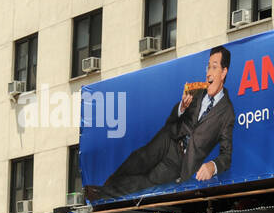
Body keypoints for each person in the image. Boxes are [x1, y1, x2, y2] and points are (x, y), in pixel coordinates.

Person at [85, 46, 235, 200]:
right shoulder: (196, 91)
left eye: (214, 67)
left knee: (147, 182)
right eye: (208, 67)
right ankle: (107, 187)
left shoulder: (227, 112)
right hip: (168, 139)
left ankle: (101, 193)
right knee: (138, 158)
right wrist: (181, 108)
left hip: (181, 160)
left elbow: (226, 155)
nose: (209, 72)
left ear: (224, 72)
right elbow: (171, 120)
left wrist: (213, 166)